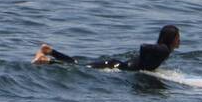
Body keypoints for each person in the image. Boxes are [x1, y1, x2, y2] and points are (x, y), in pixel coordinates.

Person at [33, 25, 180, 73]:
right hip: (118, 66)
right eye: (177, 37)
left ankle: (50, 52)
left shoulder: (164, 49)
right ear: (171, 38)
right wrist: (142, 66)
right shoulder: (164, 49)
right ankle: (46, 60)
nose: (179, 40)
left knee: (78, 65)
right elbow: (144, 47)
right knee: (80, 67)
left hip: (119, 65)